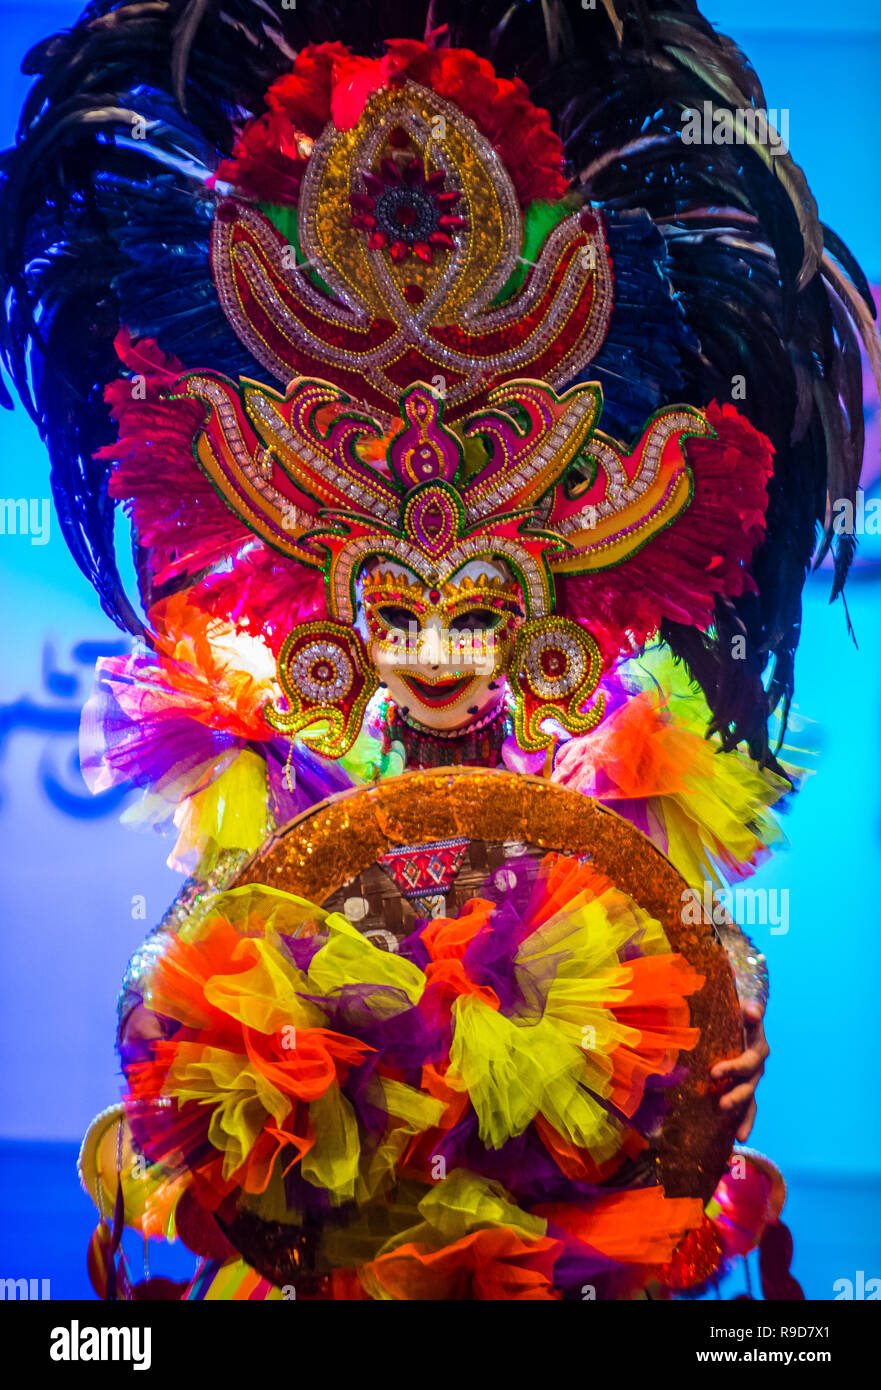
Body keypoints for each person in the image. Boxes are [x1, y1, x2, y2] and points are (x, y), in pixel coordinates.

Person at [1, 0, 873, 1300]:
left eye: (471, 609)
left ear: (536, 603)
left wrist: (713, 1017)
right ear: (339, 610)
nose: (434, 647)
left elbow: (696, 961)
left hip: (552, 1230)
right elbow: (188, 965)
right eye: (396, 609)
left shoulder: (611, 782)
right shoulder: (280, 777)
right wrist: (186, 1033)